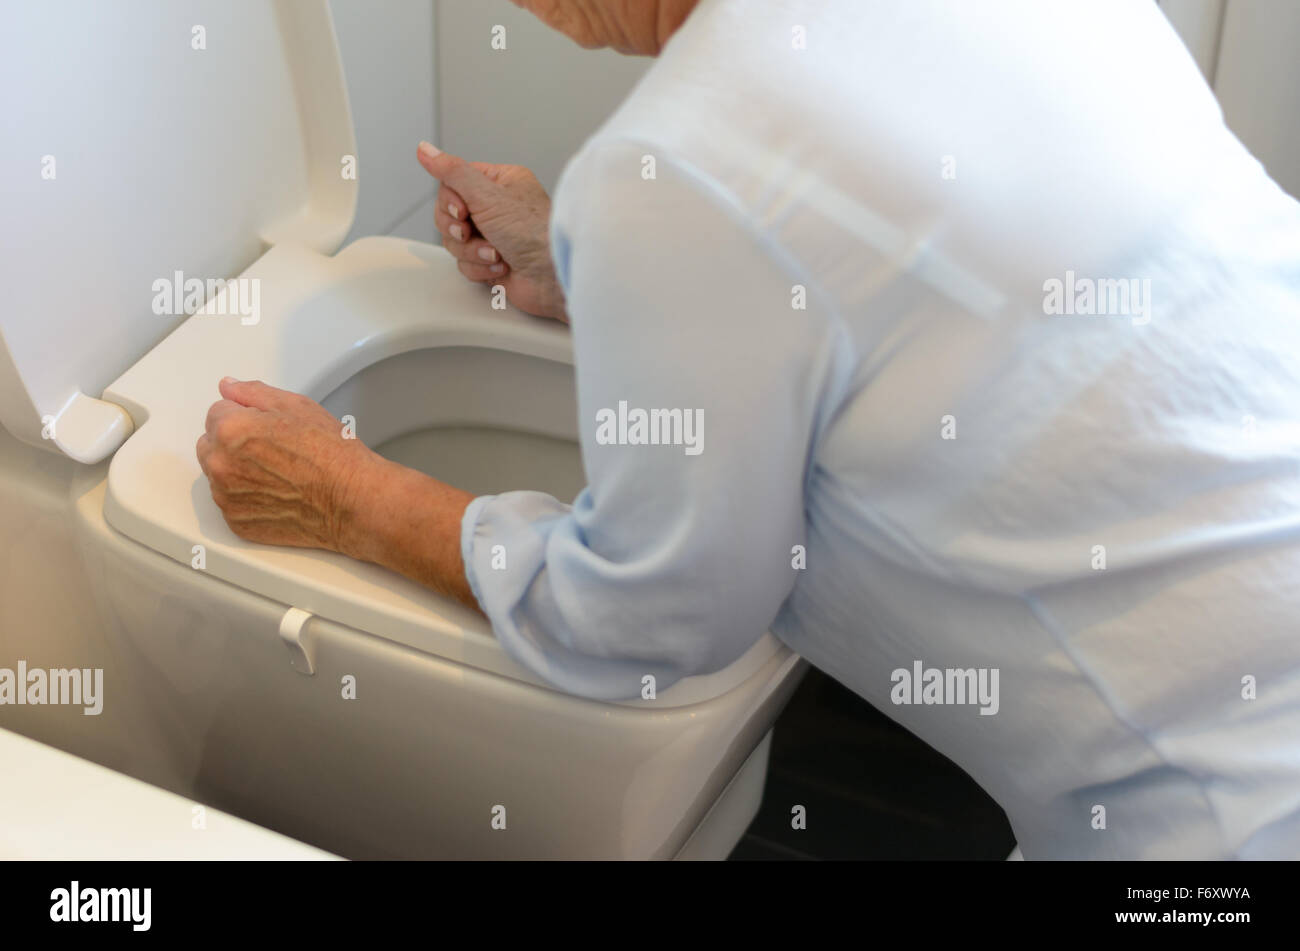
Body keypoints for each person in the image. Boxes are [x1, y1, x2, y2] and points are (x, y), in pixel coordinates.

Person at [196, 0, 1300, 859]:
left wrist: (347, 495)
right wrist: (596, 275)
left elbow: (647, 619)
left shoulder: (675, 169)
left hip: (1223, 819)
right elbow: (940, 298)